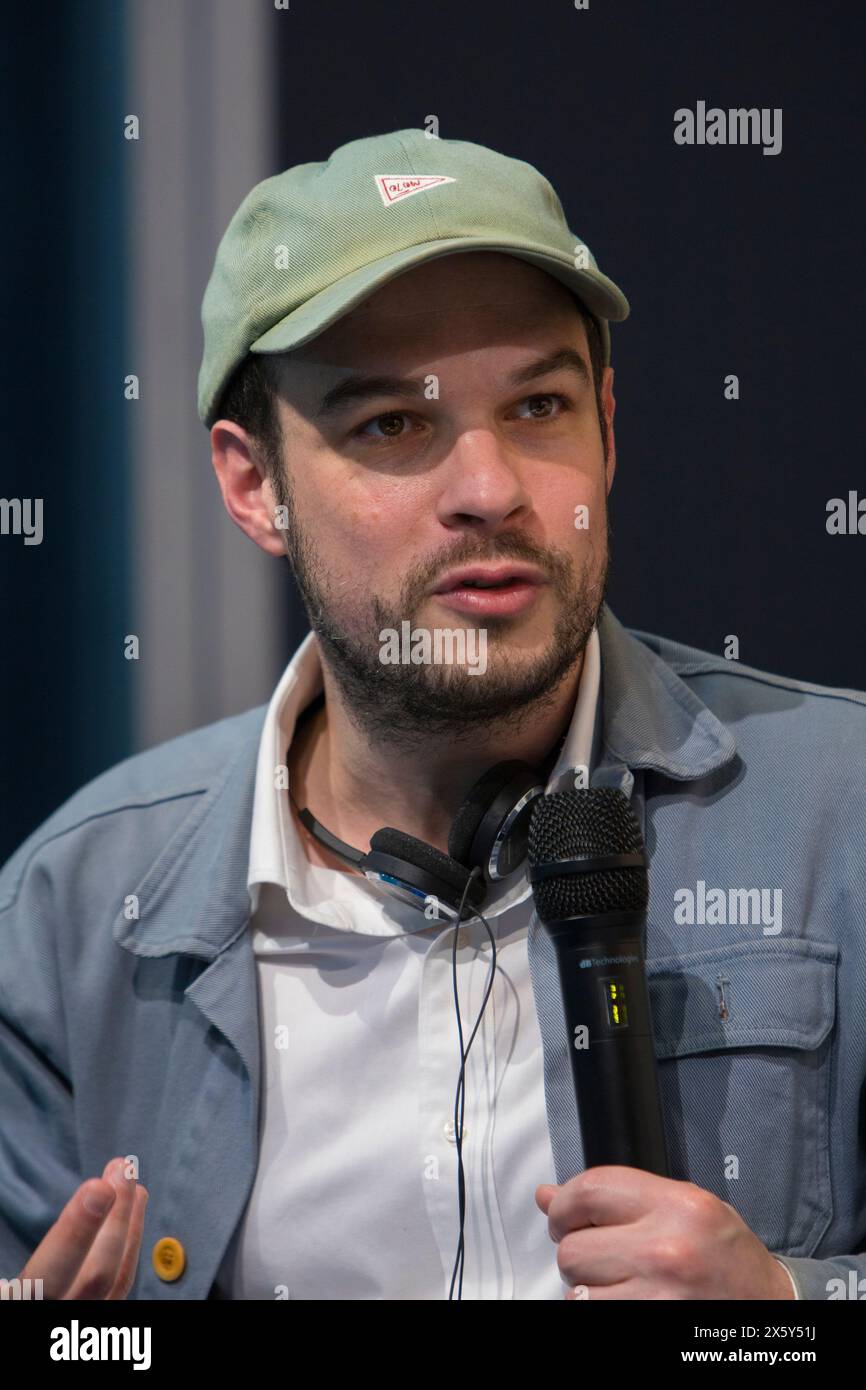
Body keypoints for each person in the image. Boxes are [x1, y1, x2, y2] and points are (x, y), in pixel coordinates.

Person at [1, 129, 864, 1301]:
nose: (491, 490)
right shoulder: (72, 916)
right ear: (255, 484)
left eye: (538, 405)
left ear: (606, 426)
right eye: (392, 427)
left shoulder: (839, 816)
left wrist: (780, 1317)